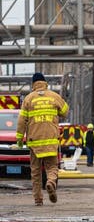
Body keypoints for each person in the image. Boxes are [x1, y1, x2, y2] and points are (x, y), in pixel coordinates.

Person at [16, 72, 68, 206]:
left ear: (33, 84)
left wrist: (19, 138)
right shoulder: (54, 96)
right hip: (51, 140)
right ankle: (50, 182)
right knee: (52, 167)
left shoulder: (28, 99)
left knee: (35, 172)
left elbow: (21, 121)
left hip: (35, 141)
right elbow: (65, 111)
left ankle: (38, 199)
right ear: (45, 82)